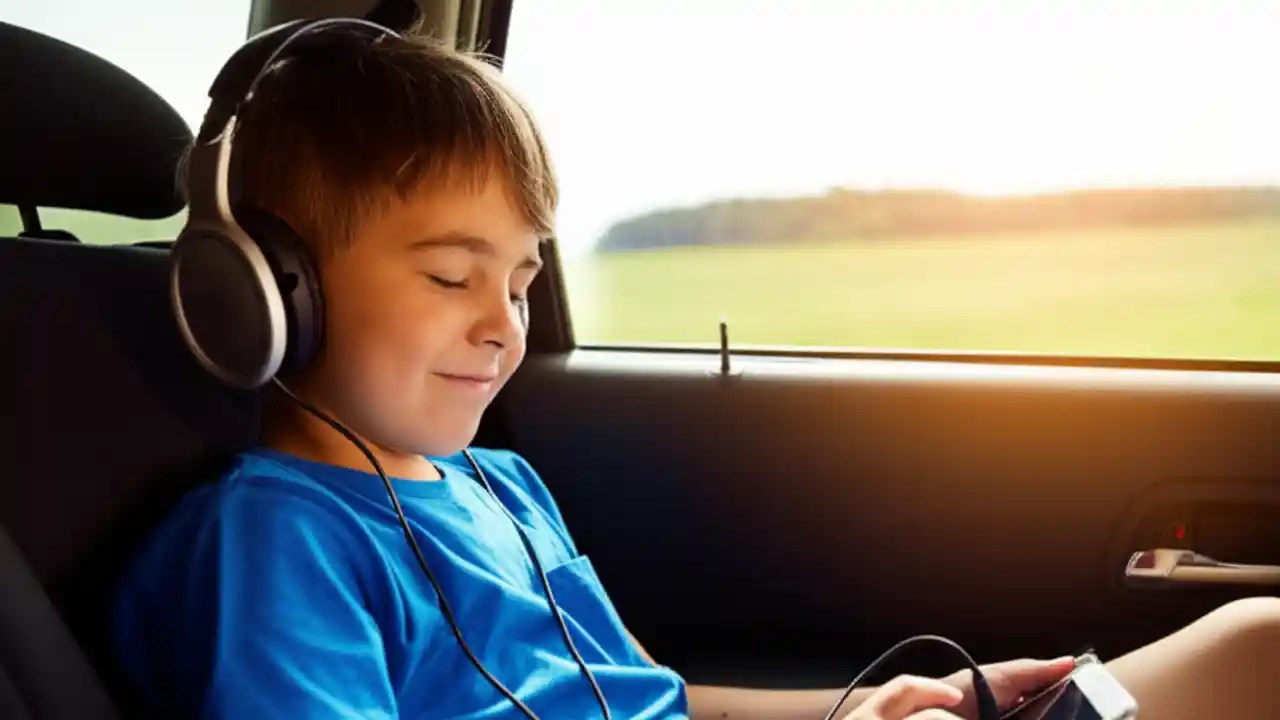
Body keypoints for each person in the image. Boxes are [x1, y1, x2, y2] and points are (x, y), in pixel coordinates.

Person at [112, 24, 1280, 720]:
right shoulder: (279, 543)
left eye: (518, 284)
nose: (502, 326)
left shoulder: (500, 488)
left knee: (1252, 641)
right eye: (449, 276)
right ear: (273, 290)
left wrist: (850, 706)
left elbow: (644, 695)